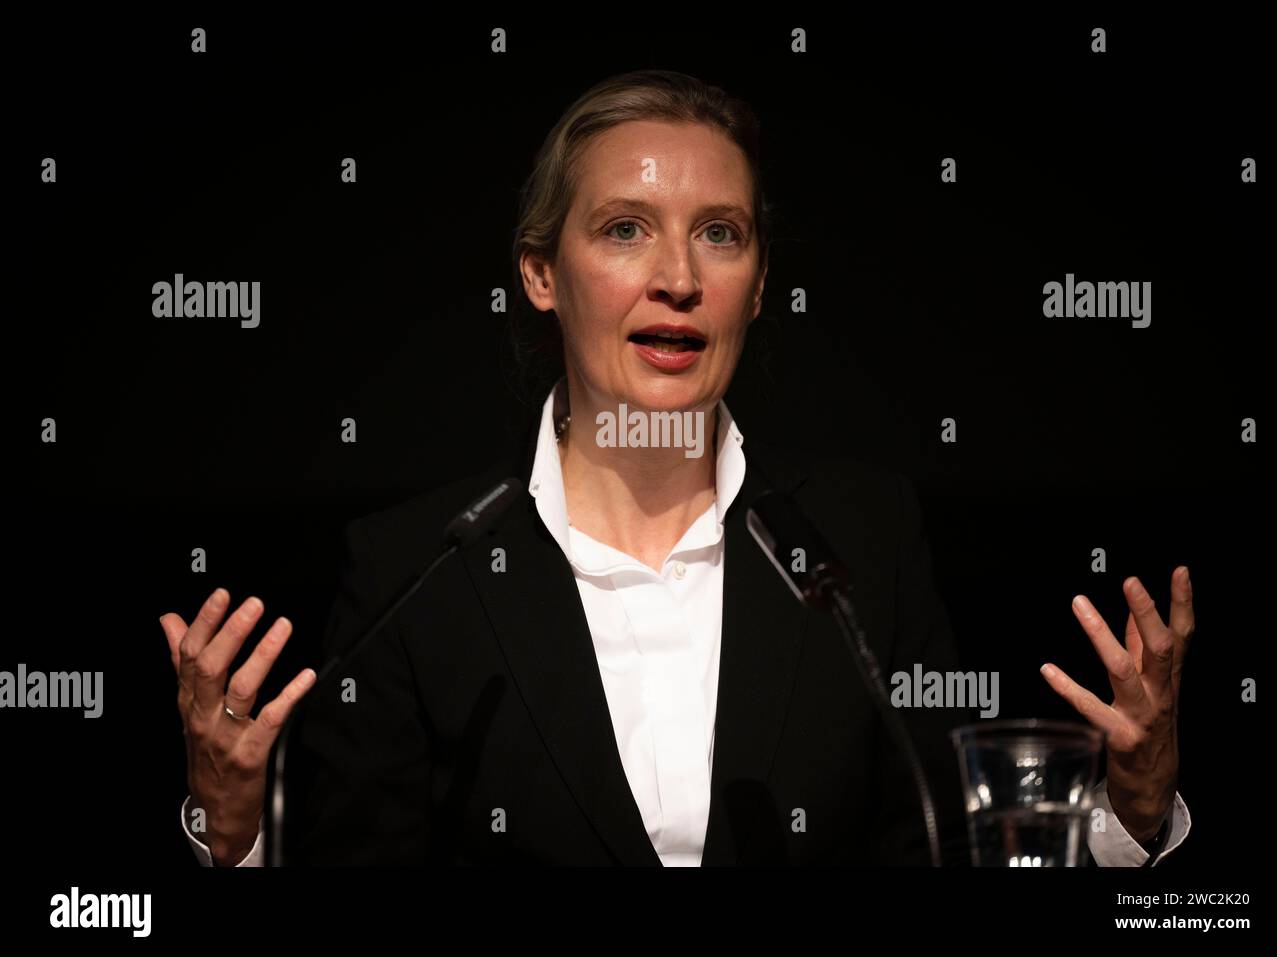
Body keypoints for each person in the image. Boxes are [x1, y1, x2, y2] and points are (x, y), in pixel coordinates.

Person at [159, 70, 1192, 867]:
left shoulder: (864, 540)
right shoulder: (412, 572)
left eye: (720, 235)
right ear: (539, 273)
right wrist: (237, 832)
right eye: (624, 230)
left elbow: (931, 856)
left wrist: (1128, 812)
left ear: (755, 286)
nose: (678, 279)